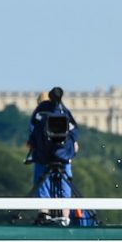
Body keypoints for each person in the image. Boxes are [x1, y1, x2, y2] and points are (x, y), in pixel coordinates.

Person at [27, 87, 80, 218]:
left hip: (44, 155)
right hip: (63, 155)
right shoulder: (63, 111)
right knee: (65, 180)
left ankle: (44, 212)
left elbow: (32, 135)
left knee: (41, 178)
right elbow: (73, 131)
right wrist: (71, 147)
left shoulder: (40, 112)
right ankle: (65, 214)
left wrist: (35, 145)